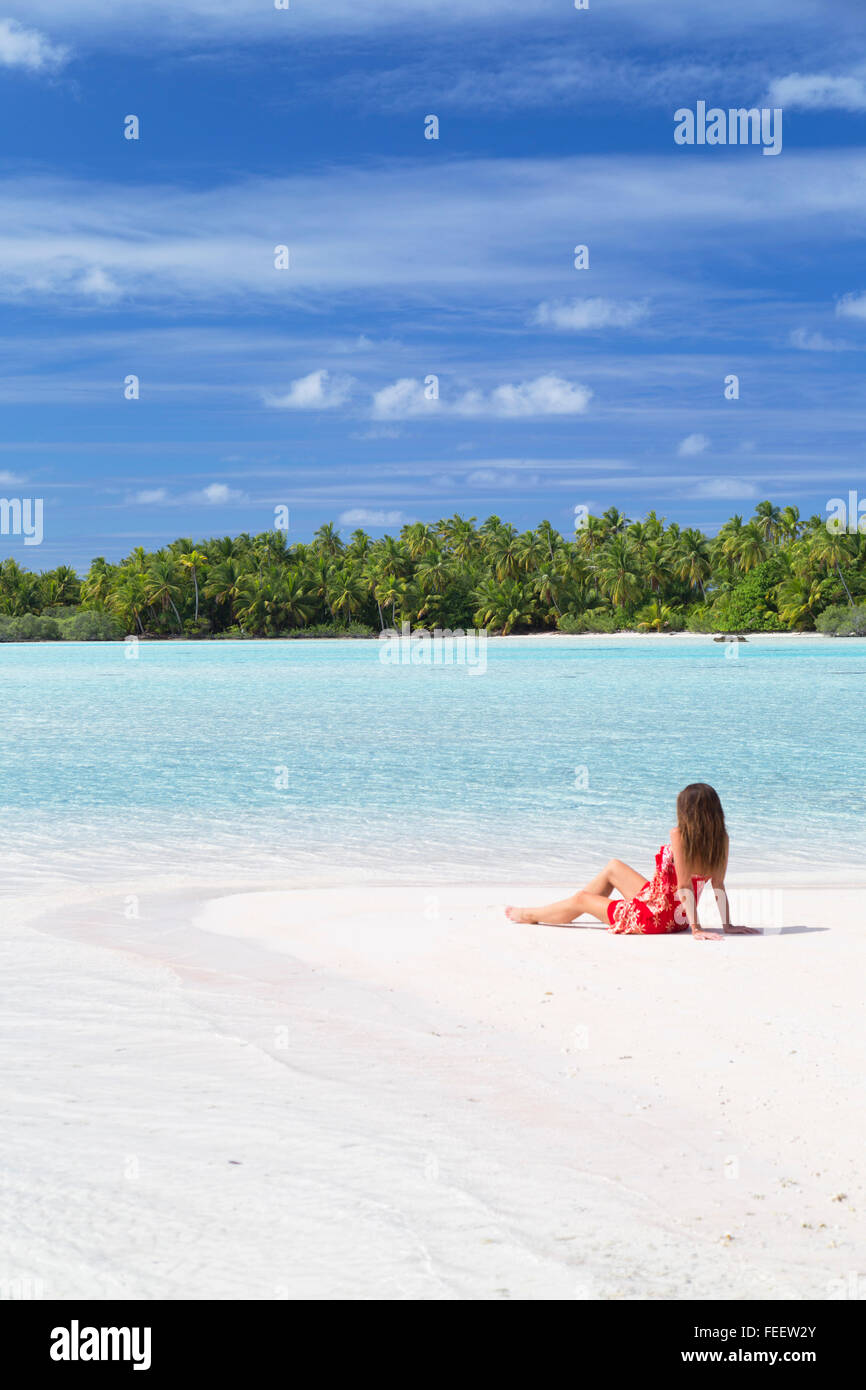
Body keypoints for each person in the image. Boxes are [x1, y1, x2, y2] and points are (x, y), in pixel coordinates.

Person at [505, 783, 760, 940]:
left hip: (656, 916)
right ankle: (573, 910)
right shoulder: (721, 839)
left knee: (582, 898)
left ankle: (531, 914)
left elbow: (683, 885)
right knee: (613, 866)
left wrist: (696, 929)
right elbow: (718, 885)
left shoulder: (679, 835)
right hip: (672, 911)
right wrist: (728, 925)